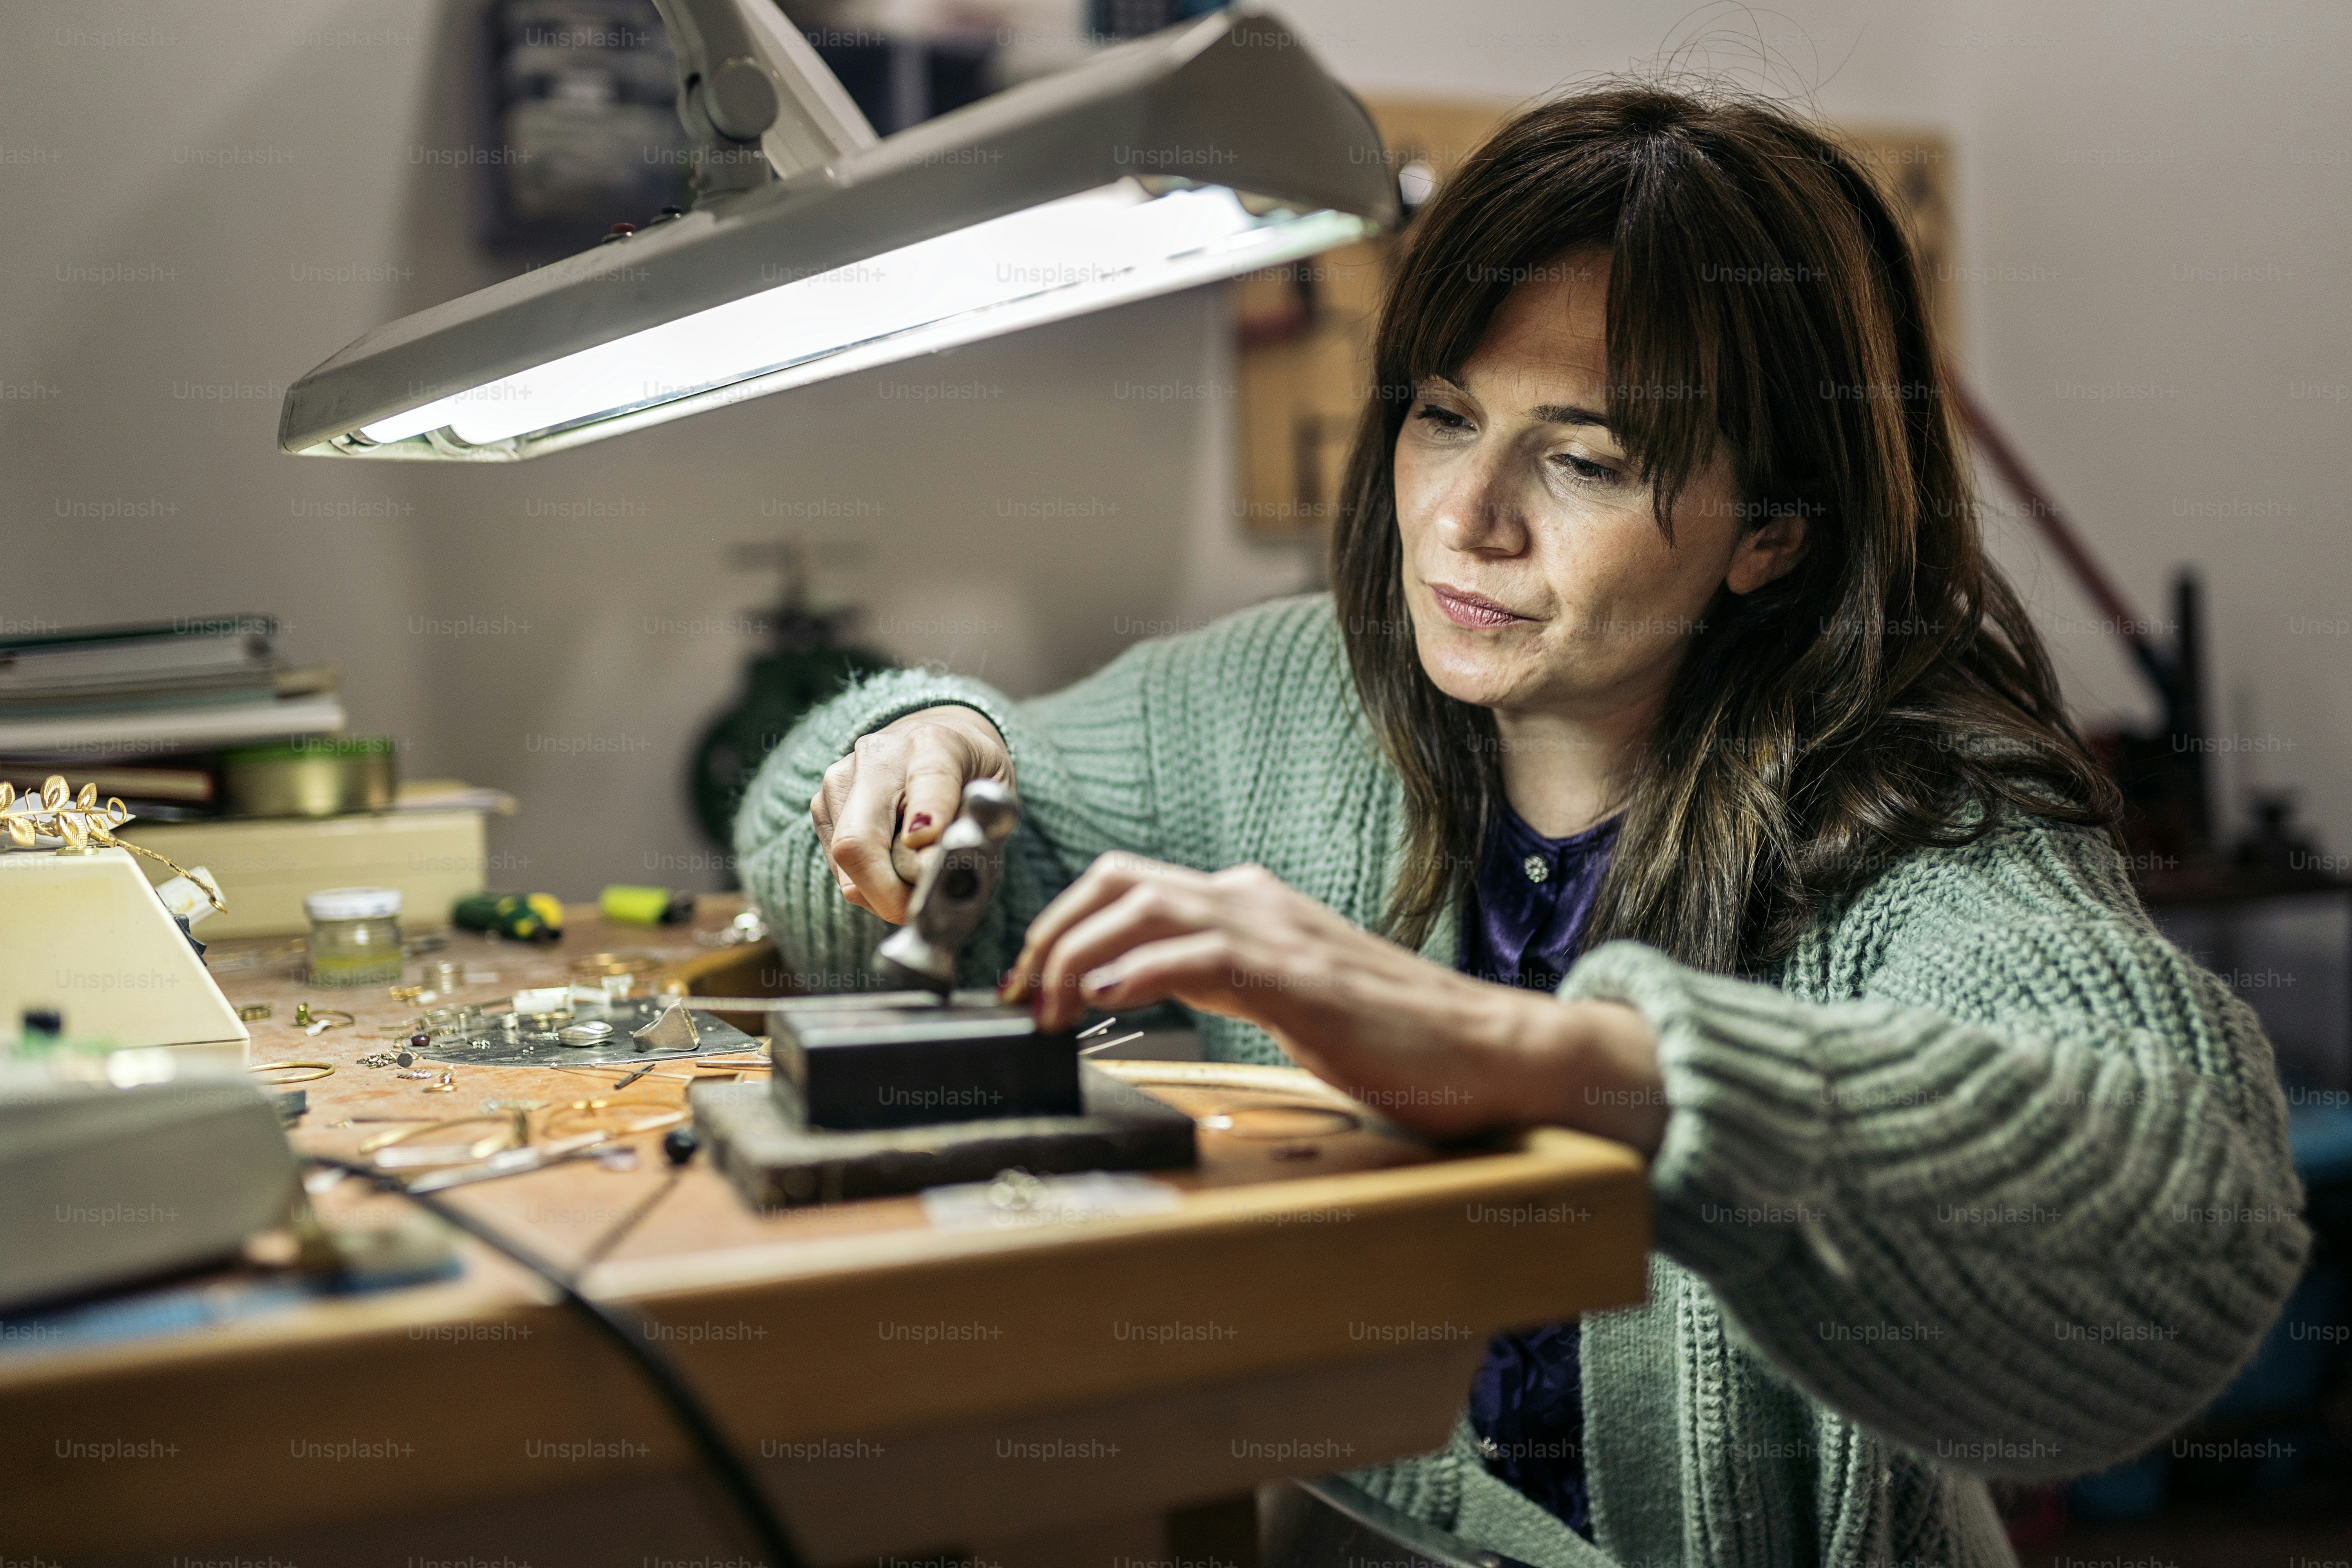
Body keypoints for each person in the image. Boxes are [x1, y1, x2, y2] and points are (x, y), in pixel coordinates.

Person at [735, 84, 2307, 1568]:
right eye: (1441, 415)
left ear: (1768, 532)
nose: (1463, 518)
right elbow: (833, 877)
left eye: (1585, 458)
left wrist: (1561, 1065)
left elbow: (2191, 1220)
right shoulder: (1287, 703)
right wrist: (919, 739)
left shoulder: (1918, 824)